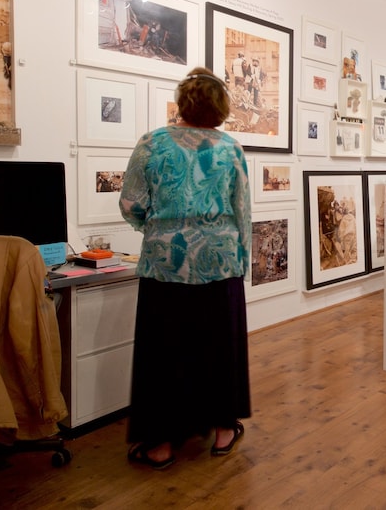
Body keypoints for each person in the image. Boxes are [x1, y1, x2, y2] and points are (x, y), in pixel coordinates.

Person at [119, 66, 252, 470]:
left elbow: (130, 203)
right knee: (219, 346)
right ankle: (224, 429)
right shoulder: (230, 149)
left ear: (183, 102)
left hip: (167, 263)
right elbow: (242, 210)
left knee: (165, 350)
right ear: (221, 107)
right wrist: (239, 254)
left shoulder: (152, 143)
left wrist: (156, 229)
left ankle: (160, 444)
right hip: (220, 261)